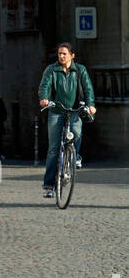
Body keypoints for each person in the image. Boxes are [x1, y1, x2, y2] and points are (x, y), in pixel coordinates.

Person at [38, 42, 96, 199]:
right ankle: (49, 186)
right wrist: (44, 98)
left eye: (64, 53)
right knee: (53, 150)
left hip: (75, 110)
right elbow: (44, 86)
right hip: (56, 111)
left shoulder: (80, 70)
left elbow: (88, 88)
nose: (61, 56)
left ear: (72, 55)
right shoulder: (52, 70)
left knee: (77, 133)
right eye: (59, 54)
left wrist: (91, 105)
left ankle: (75, 157)